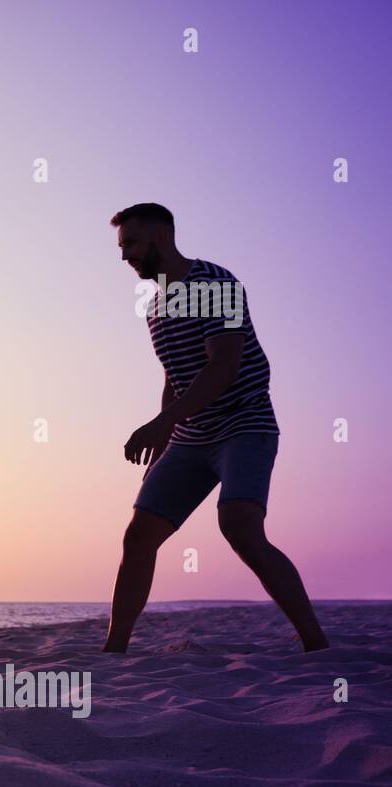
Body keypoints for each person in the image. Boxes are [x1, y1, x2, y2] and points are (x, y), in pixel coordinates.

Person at [104, 204, 328, 653]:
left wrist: (159, 423)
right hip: (190, 434)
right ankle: (114, 649)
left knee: (240, 526)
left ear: (160, 238)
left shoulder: (213, 283)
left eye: (130, 243)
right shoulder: (155, 307)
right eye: (121, 245)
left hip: (244, 422)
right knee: (139, 533)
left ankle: (316, 644)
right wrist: (164, 441)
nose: (124, 255)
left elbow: (222, 367)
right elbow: (175, 376)